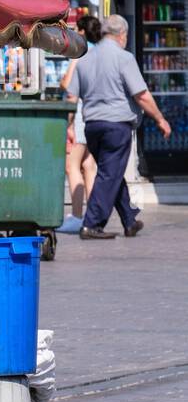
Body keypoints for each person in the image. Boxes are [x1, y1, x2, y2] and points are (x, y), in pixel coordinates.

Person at [70, 15, 172, 239]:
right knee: (109, 173)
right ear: (122, 35)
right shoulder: (124, 58)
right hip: (116, 126)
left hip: (92, 126)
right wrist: (160, 119)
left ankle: (129, 220)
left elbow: (72, 96)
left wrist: (68, 125)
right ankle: (92, 224)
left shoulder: (85, 59)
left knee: (110, 170)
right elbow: (142, 95)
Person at [58, 16, 102, 234]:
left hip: (80, 115)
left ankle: (76, 216)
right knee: (88, 166)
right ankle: (94, 216)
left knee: (71, 165)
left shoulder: (81, 52)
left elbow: (68, 84)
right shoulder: (99, 52)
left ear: (82, 32)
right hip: (94, 113)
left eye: (77, 29)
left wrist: (68, 123)